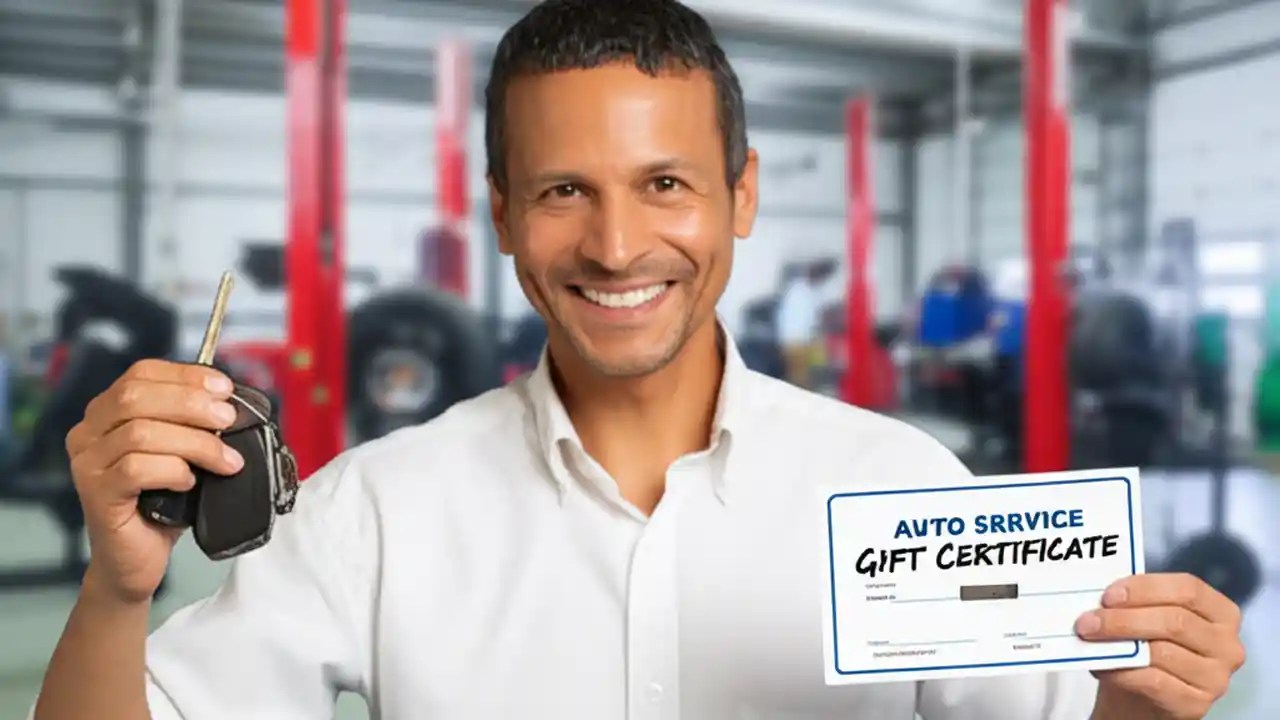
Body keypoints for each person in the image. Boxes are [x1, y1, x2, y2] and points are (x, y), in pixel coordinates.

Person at [33, 1, 1245, 718]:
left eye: (663, 184)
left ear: (739, 194)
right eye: (564, 191)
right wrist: (117, 591)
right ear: (502, 213)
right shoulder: (378, 513)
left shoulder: (901, 484)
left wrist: (1137, 709)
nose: (616, 246)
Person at [775, 259, 835, 389]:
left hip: (808, 339)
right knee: (799, 377)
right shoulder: (798, 290)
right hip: (794, 340)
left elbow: (817, 316)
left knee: (817, 369)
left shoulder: (812, 291)